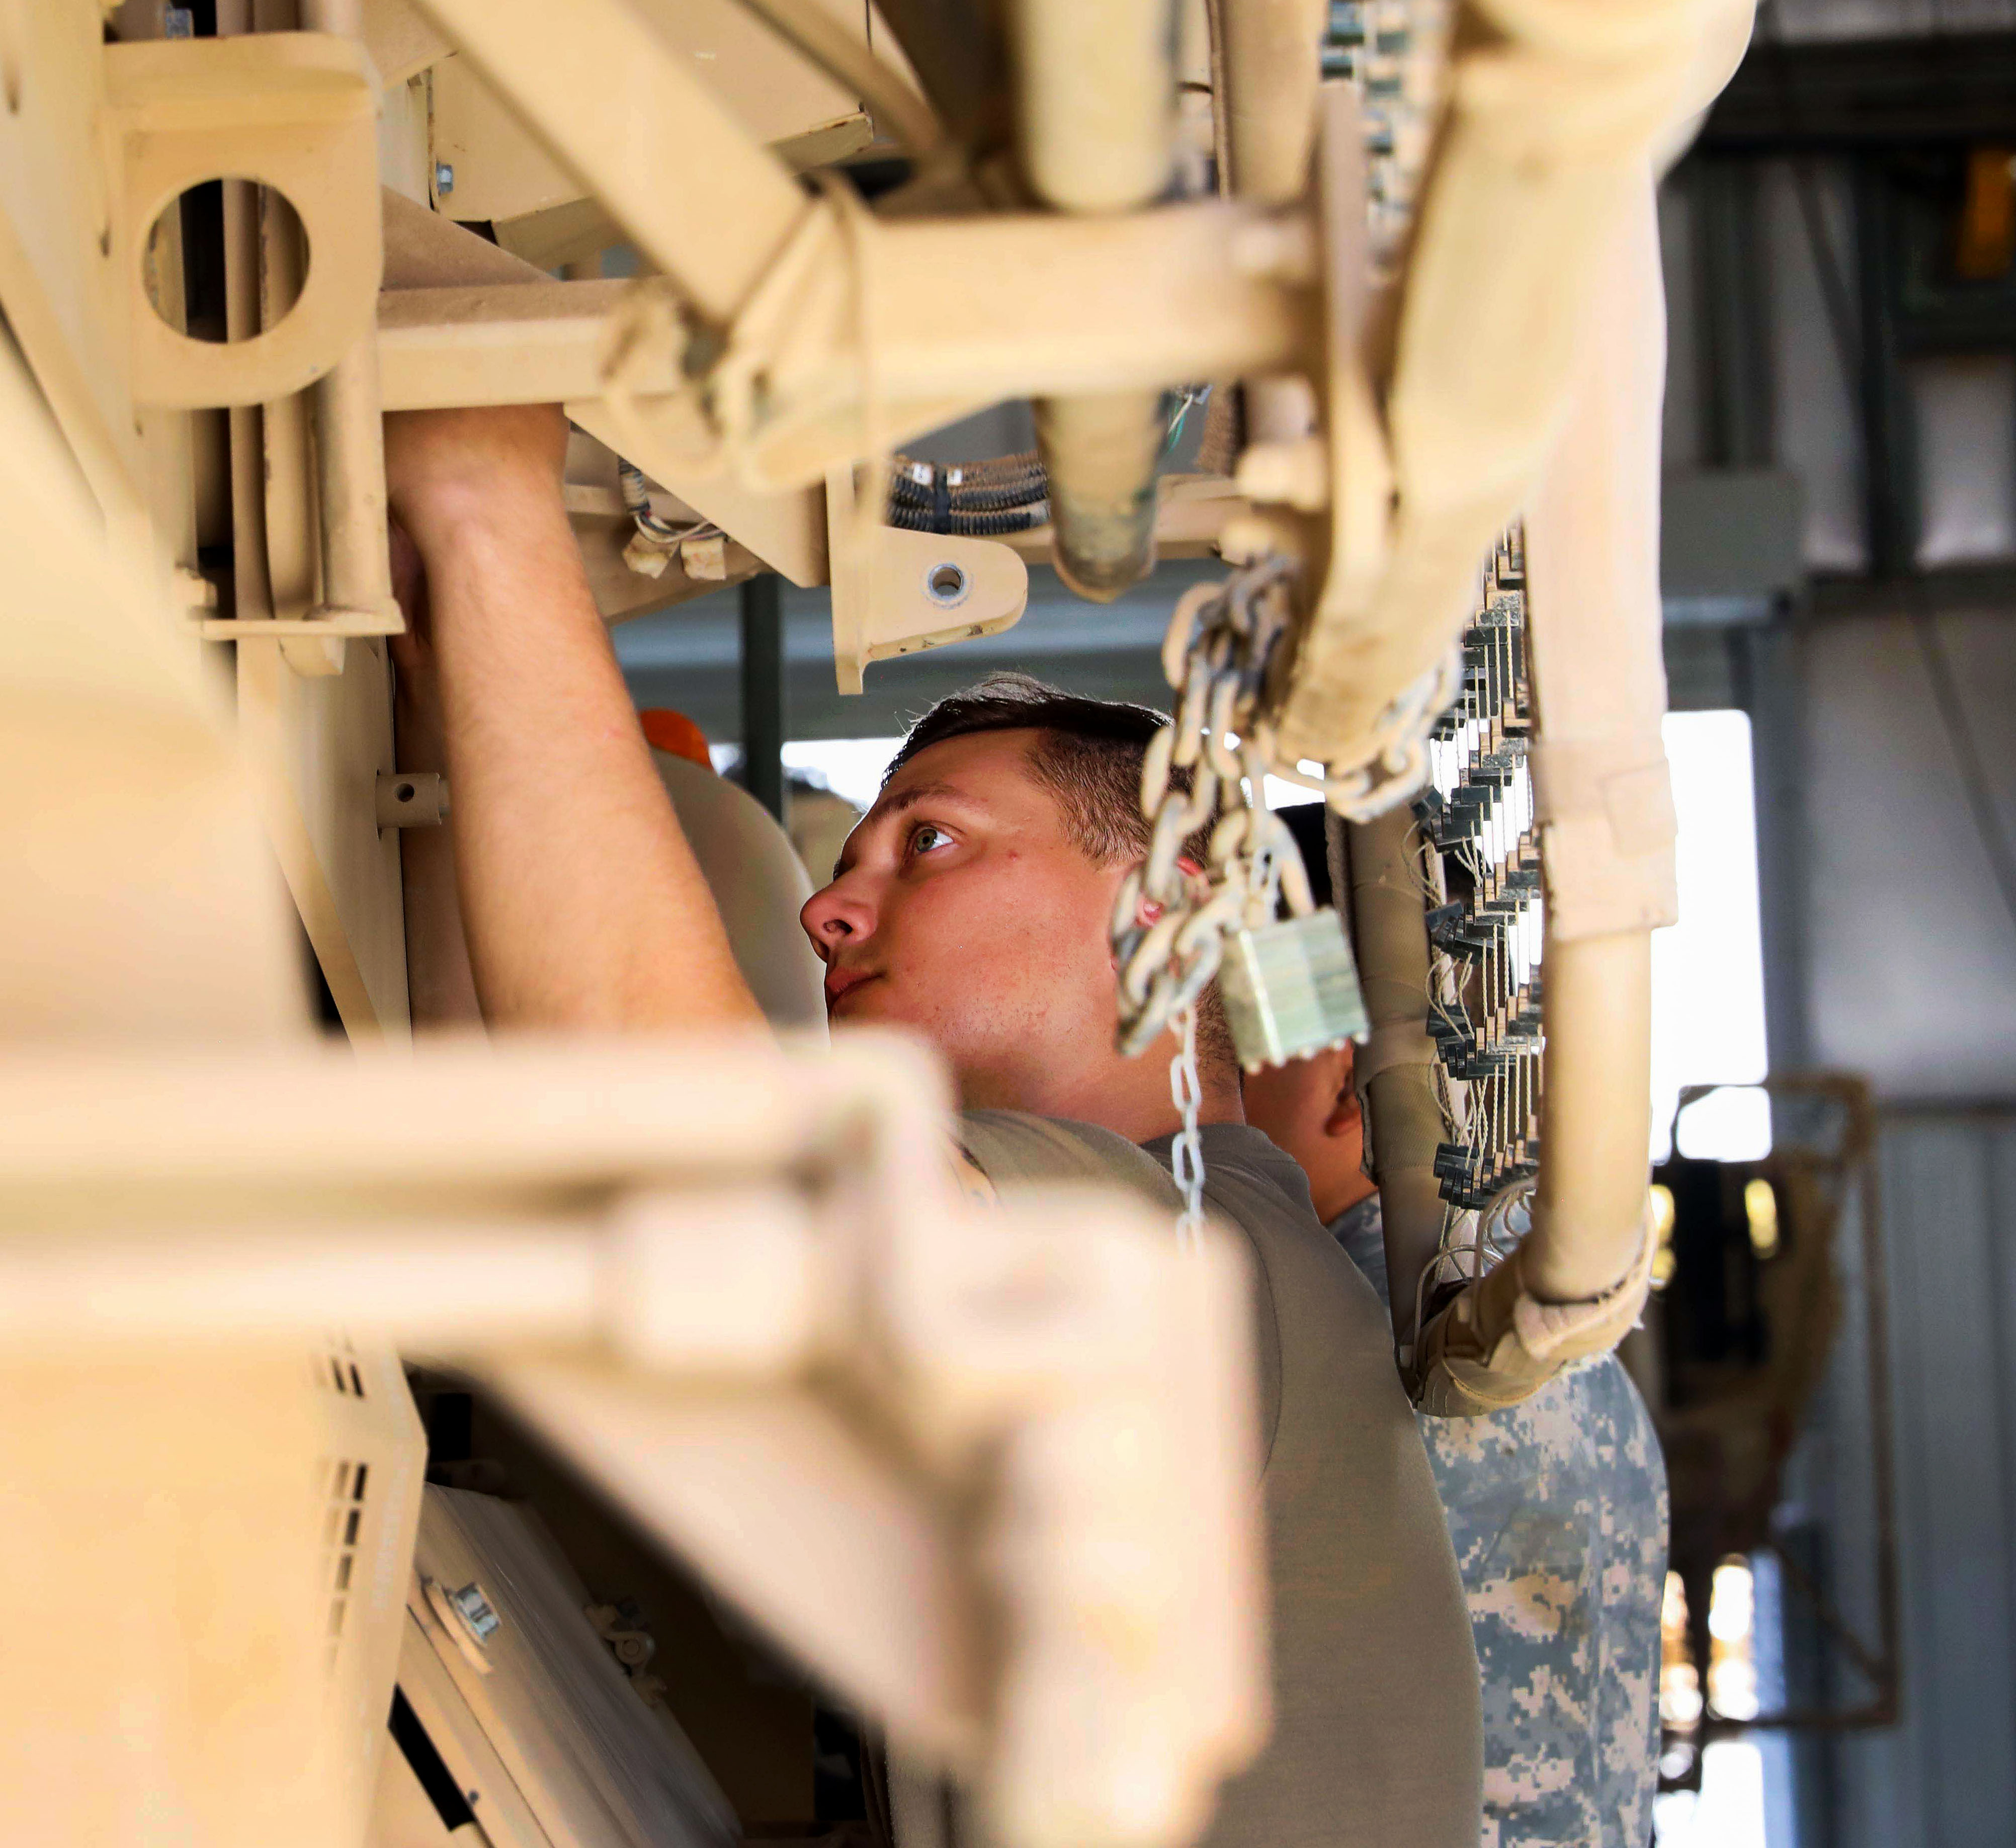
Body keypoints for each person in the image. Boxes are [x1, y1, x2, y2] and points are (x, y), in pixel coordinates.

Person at [385, 401, 1479, 1848]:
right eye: (857, 860)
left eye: (933, 845)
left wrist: (484, 500)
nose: (830, 908)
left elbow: (683, 1155)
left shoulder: (1181, 1249)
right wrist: (450, 649)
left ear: (1158, 910)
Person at [1240, 804, 1669, 1848]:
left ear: (1346, 1080)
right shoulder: (1534, 1340)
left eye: (1216, 1024)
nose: (1185, 1063)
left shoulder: (1345, 1342)